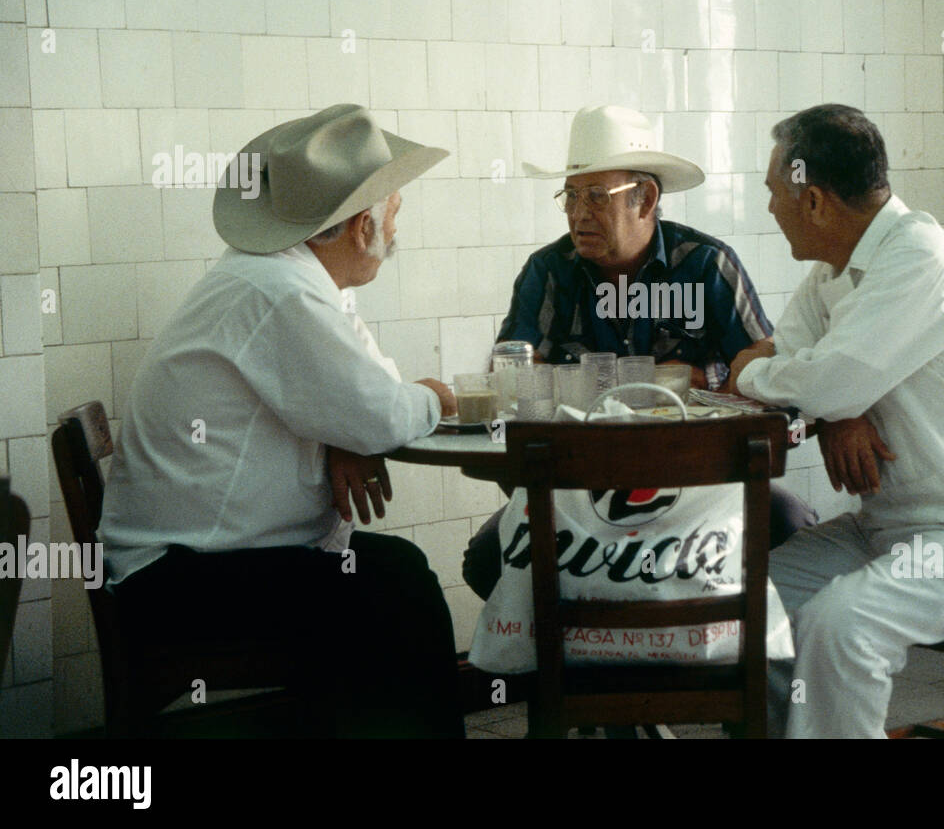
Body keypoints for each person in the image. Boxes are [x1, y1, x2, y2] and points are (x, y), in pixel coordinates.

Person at [99, 104, 464, 737]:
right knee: (397, 585)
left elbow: (361, 398)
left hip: (195, 565)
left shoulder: (293, 280)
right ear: (360, 226)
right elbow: (382, 411)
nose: (398, 225)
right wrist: (437, 393)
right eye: (394, 210)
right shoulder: (280, 291)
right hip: (178, 582)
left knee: (385, 580)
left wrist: (341, 433)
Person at [726, 104, 944, 738]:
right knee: (747, 600)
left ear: (814, 202)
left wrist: (749, 375)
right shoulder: (831, 271)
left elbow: (821, 378)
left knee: (842, 626)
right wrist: (836, 411)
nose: (769, 208)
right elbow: (808, 368)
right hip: (892, 529)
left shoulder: (923, 258)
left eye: (775, 193)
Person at [462, 105, 817, 600]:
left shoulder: (707, 266)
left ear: (645, 198)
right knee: (487, 563)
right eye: (570, 195)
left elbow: (770, 369)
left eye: (594, 197)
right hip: (576, 496)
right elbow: (511, 376)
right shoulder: (548, 273)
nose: (577, 213)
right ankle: (588, 666)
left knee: (791, 528)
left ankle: (725, 664)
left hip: (701, 491)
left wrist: (704, 377)